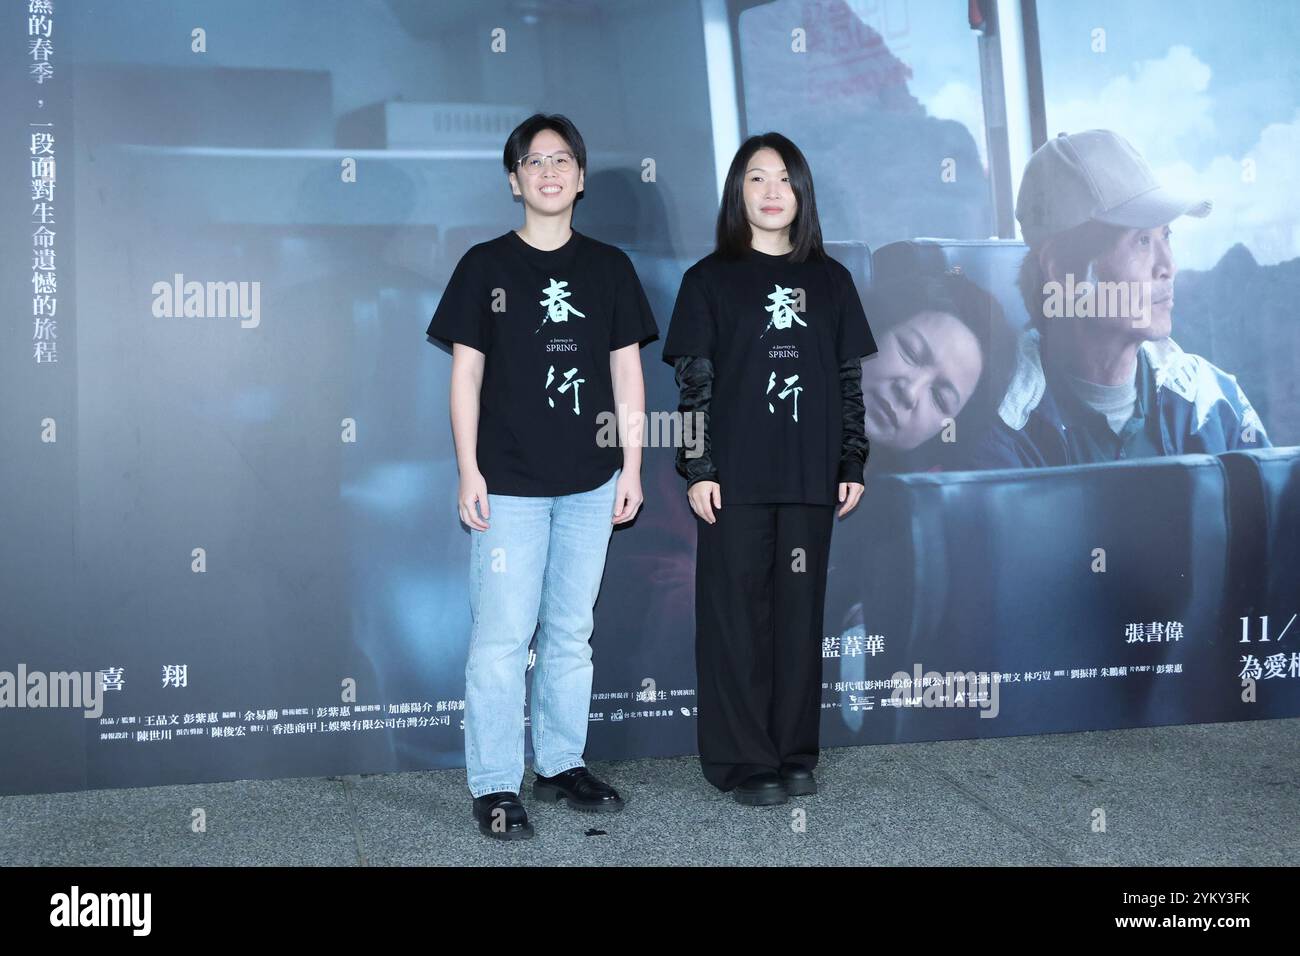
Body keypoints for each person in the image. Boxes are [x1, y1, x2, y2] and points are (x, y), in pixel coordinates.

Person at [425, 113, 658, 840]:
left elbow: (628, 374)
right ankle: (495, 784)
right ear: (514, 180)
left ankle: (560, 764)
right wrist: (468, 470)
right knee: (500, 637)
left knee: (569, 631)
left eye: (563, 160)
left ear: (582, 179)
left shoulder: (610, 268)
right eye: (534, 161)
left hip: (591, 481)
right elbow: (465, 377)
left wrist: (632, 467)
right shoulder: (485, 266)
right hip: (510, 484)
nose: (550, 172)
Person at [661, 132, 878, 805]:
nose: (772, 191)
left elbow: (847, 382)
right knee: (734, 619)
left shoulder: (831, 280)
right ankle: (742, 760)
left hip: (811, 480)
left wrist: (852, 460)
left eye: (784, 178)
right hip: (736, 482)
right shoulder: (709, 280)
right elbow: (693, 384)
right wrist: (698, 467)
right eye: (756, 178)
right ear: (738, 194)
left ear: (802, 192)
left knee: (798, 617)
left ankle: (793, 753)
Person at [966, 129, 1269, 470]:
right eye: (1142, 241)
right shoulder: (1002, 434)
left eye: (1166, 236)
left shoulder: (1213, 403)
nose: (1169, 266)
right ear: (1062, 268)